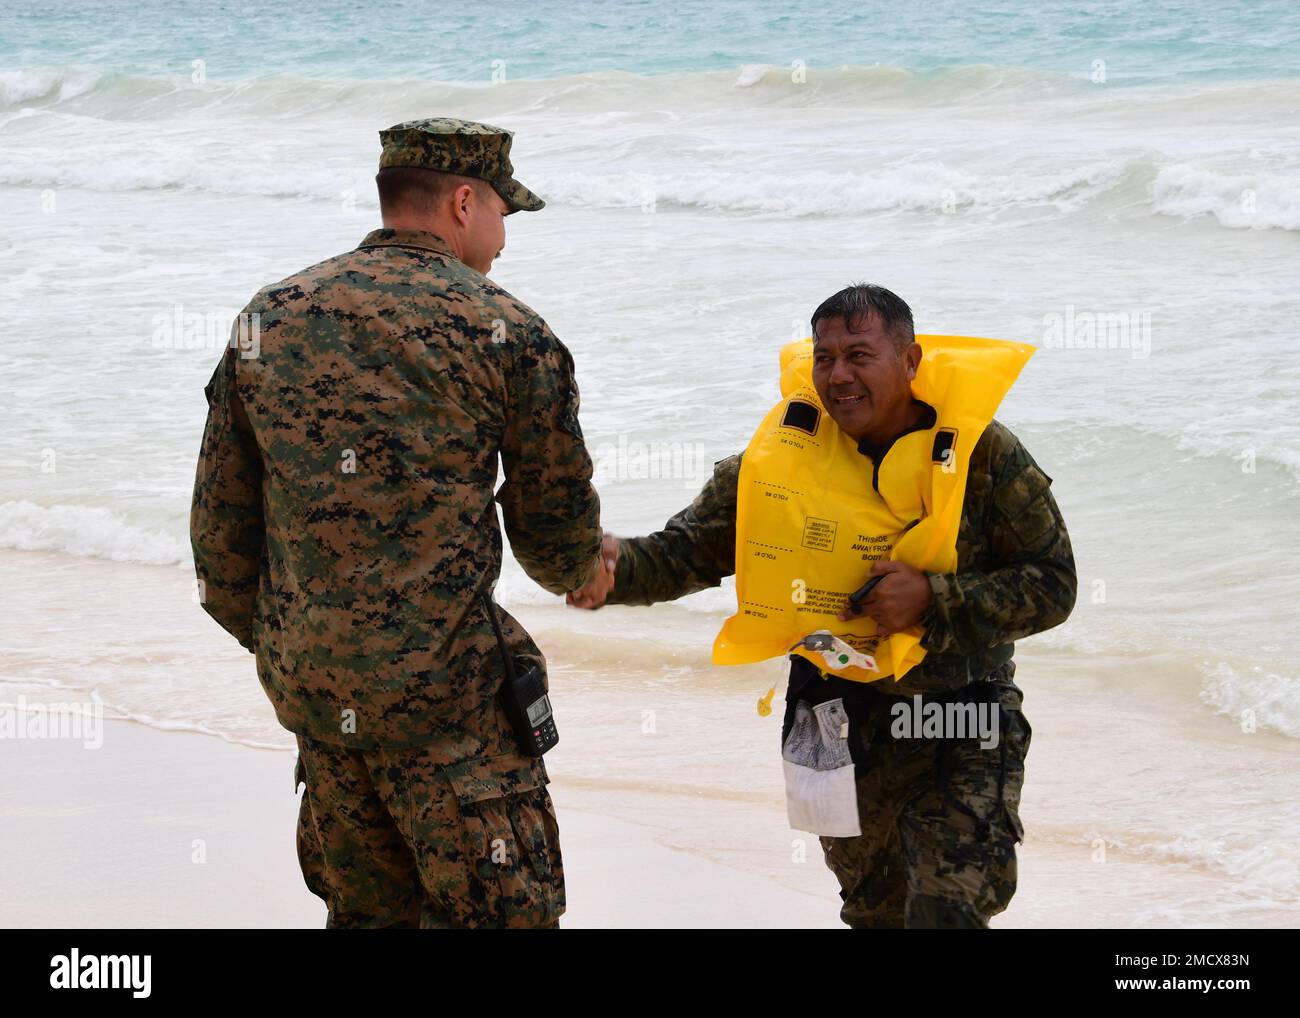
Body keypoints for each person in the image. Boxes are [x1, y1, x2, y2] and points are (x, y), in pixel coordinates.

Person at [190, 118, 603, 928]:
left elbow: (220, 545)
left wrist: (303, 644)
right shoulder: (510, 332)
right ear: (461, 202)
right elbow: (557, 544)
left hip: (320, 707)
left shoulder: (269, 317)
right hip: (453, 721)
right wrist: (597, 572)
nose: (504, 240)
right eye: (502, 214)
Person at [568, 284, 1076, 928]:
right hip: (829, 718)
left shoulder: (982, 455)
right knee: (873, 914)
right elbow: (689, 552)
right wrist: (616, 571)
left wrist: (933, 598)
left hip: (956, 719)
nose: (840, 376)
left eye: (860, 355)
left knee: (947, 912)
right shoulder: (782, 459)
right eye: (825, 357)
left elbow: (1055, 583)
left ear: (911, 361)